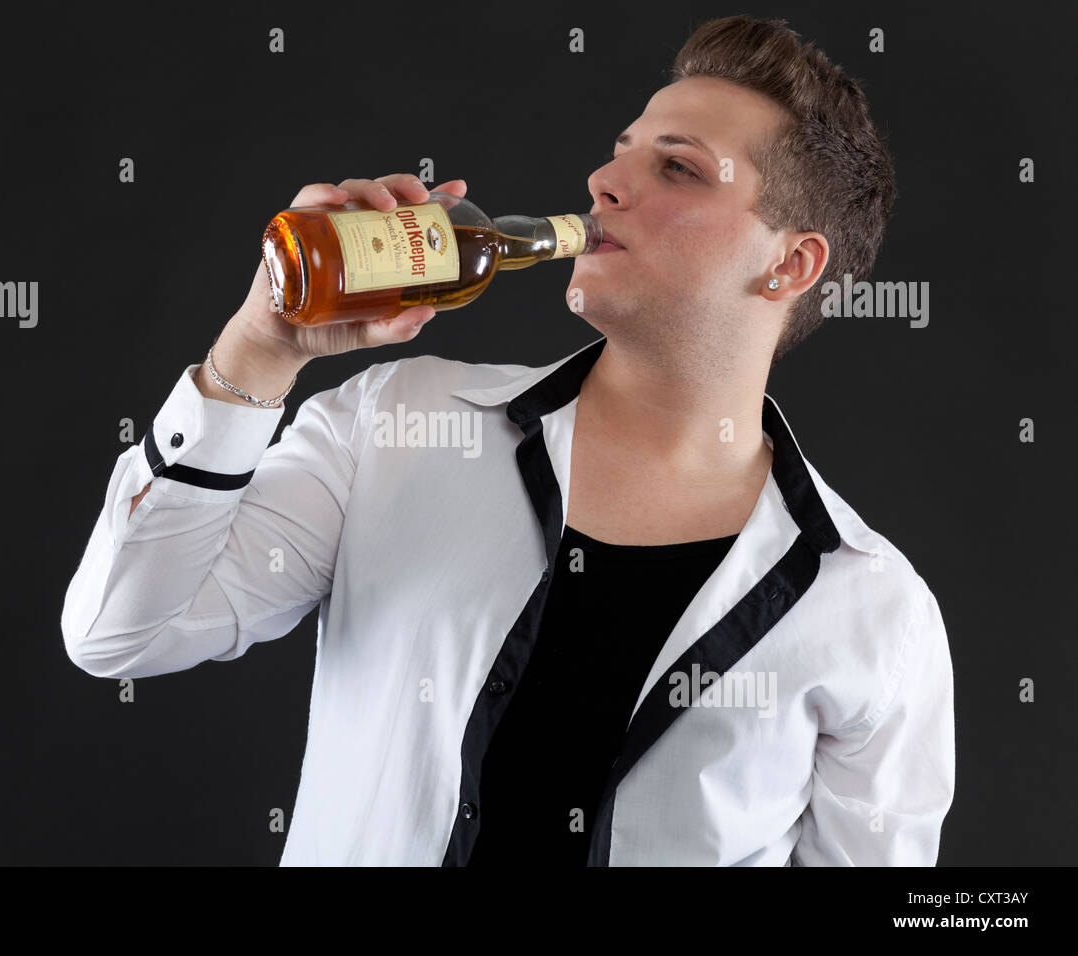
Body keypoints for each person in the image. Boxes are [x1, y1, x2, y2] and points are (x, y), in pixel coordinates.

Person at [61, 15, 954, 866]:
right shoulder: (396, 422)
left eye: (678, 170)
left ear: (790, 264)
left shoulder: (874, 614)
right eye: (622, 149)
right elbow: (119, 634)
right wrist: (260, 347)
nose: (606, 183)